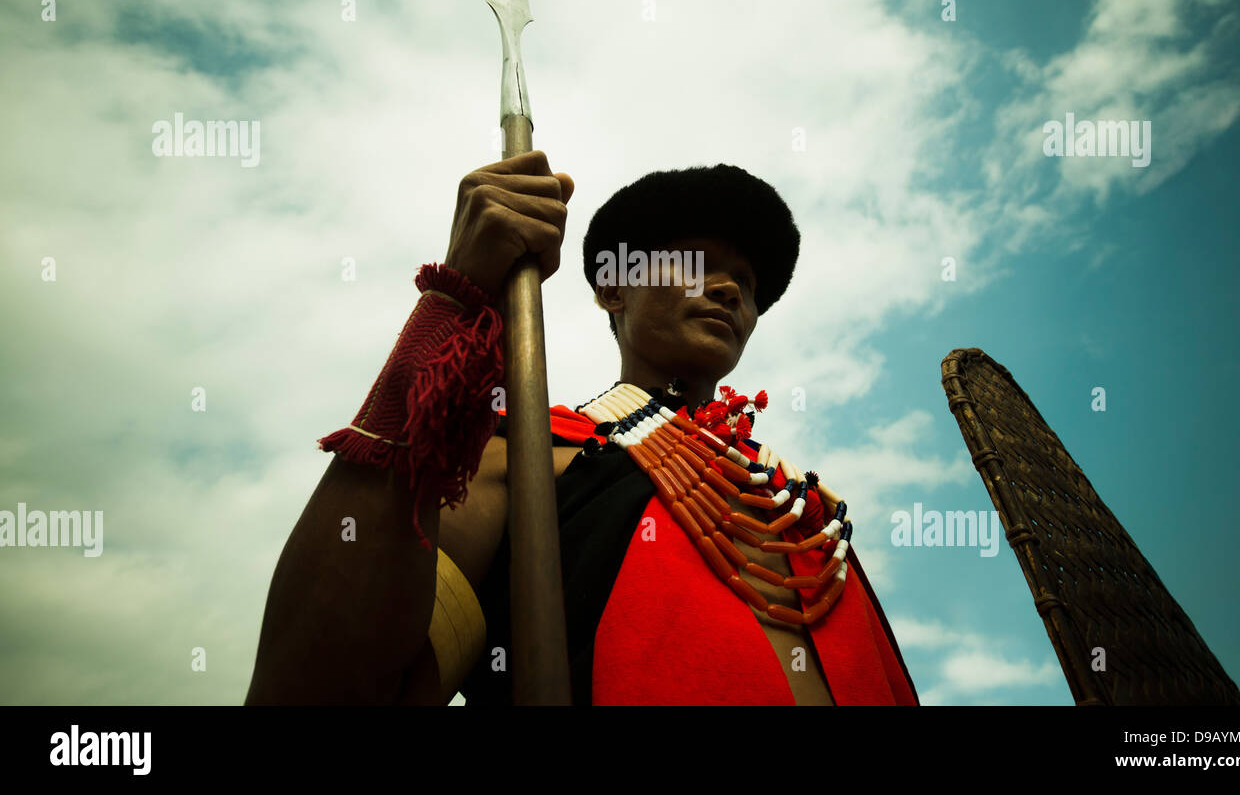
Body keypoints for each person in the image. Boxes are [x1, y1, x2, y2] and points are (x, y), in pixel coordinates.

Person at [245, 151, 917, 706]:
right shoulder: (531, 458)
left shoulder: (806, 514)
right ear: (613, 289)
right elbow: (317, 686)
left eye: (744, 280)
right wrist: (457, 296)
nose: (728, 289)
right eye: (693, 264)